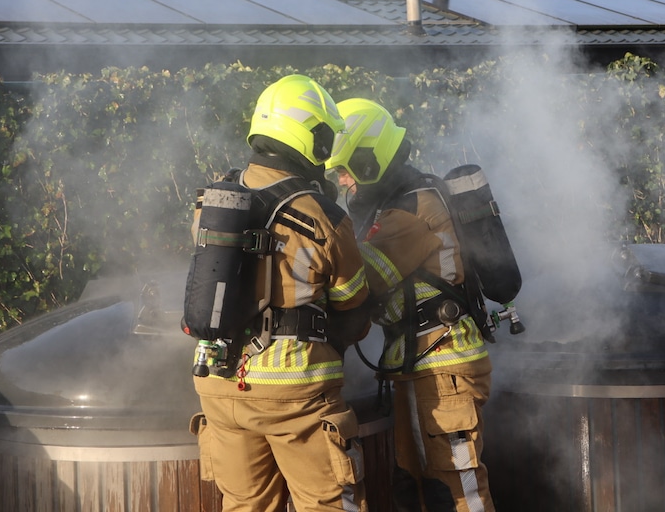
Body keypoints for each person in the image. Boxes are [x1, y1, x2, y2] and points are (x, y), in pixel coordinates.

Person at [188, 75, 372, 512]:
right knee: (328, 504)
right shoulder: (323, 215)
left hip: (218, 383)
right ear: (309, 137)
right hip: (295, 391)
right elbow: (352, 301)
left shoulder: (213, 201)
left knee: (245, 504)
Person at [326, 98, 496, 512]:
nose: (343, 181)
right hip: (422, 365)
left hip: (441, 369)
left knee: (458, 491)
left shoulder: (411, 209)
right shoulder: (398, 203)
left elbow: (364, 282)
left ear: (371, 158)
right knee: (421, 487)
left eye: (346, 169)